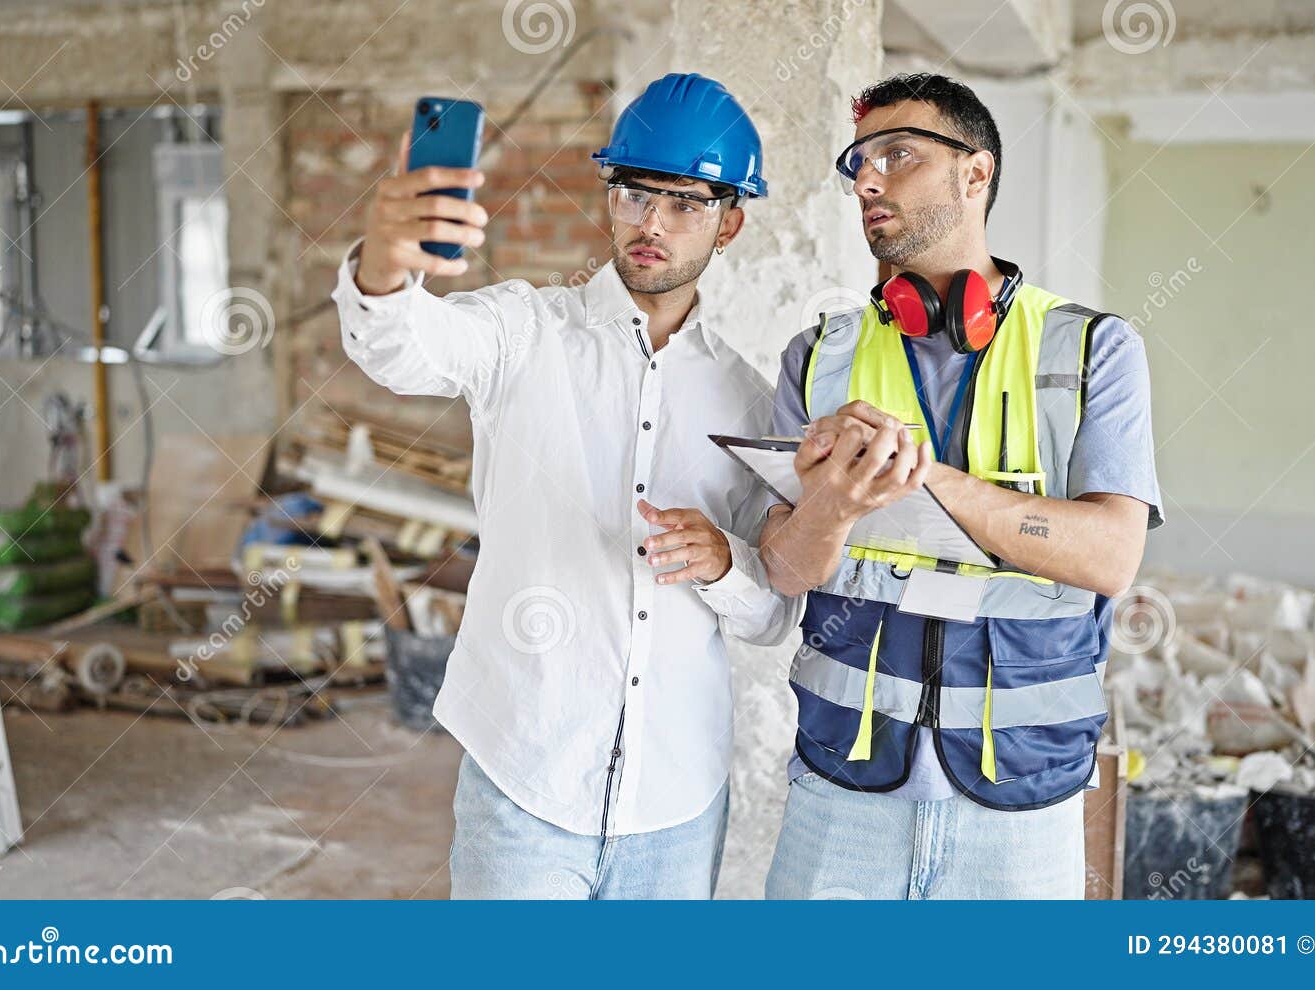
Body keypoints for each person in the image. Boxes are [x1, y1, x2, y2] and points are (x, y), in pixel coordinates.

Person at [331, 73, 799, 899]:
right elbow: (401, 346)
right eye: (633, 194)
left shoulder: (748, 402)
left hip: (677, 802)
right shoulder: (523, 331)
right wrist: (383, 264)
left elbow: (773, 614)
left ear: (730, 221)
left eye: (685, 202)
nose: (651, 223)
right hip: (525, 782)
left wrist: (726, 564)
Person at [759, 73, 1164, 899]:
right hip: (843, 786)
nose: (867, 180)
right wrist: (830, 509)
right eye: (859, 162)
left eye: (897, 155)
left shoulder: (1094, 351)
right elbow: (785, 571)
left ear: (974, 174)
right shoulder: (817, 356)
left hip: (1020, 804)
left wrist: (930, 478)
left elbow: (1112, 557)